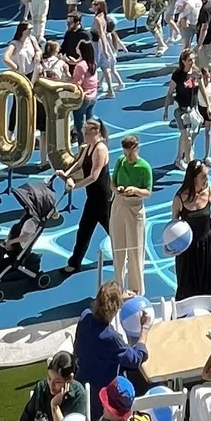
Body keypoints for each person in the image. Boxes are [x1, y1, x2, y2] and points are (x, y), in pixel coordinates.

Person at [73, 279, 150, 399]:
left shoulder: (85, 317)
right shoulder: (110, 338)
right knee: (140, 376)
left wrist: (119, 298)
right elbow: (137, 359)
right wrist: (144, 328)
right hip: (102, 395)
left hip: (83, 381)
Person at [171, 158, 211, 299]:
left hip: (208, 248)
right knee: (187, 287)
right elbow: (173, 226)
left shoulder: (210, 192)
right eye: (204, 176)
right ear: (194, 178)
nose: (207, 179)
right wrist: (172, 246)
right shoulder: (179, 199)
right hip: (187, 251)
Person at [12, 347, 87, 421]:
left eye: (57, 382)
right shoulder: (41, 388)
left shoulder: (78, 396)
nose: (51, 386)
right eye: (49, 378)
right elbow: (27, 419)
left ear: (69, 379)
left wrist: (55, 406)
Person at [65, 118, 114, 275]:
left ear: (96, 133)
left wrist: (75, 186)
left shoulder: (100, 150)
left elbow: (94, 176)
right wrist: (66, 174)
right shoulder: (88, 147)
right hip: (92, 197)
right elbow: (79, 163)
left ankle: (125, 253)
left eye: (87, 133)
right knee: (84, 230)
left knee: (112, 230)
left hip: (102, 198)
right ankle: (75, 262)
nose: (84, 136)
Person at [110, 131, 152, 296]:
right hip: (119, 203)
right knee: (118, 247)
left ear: (137, 149)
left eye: (130, 152)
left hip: (134, 206)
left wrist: (135, 190)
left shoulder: (144, 167)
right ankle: (118, 287)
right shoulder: (120, 161)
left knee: (135, 250)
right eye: (125, 152)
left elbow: (148, 191)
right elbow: (112, 182)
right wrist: (117, 189)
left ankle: (137, 291)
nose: (128, 156)